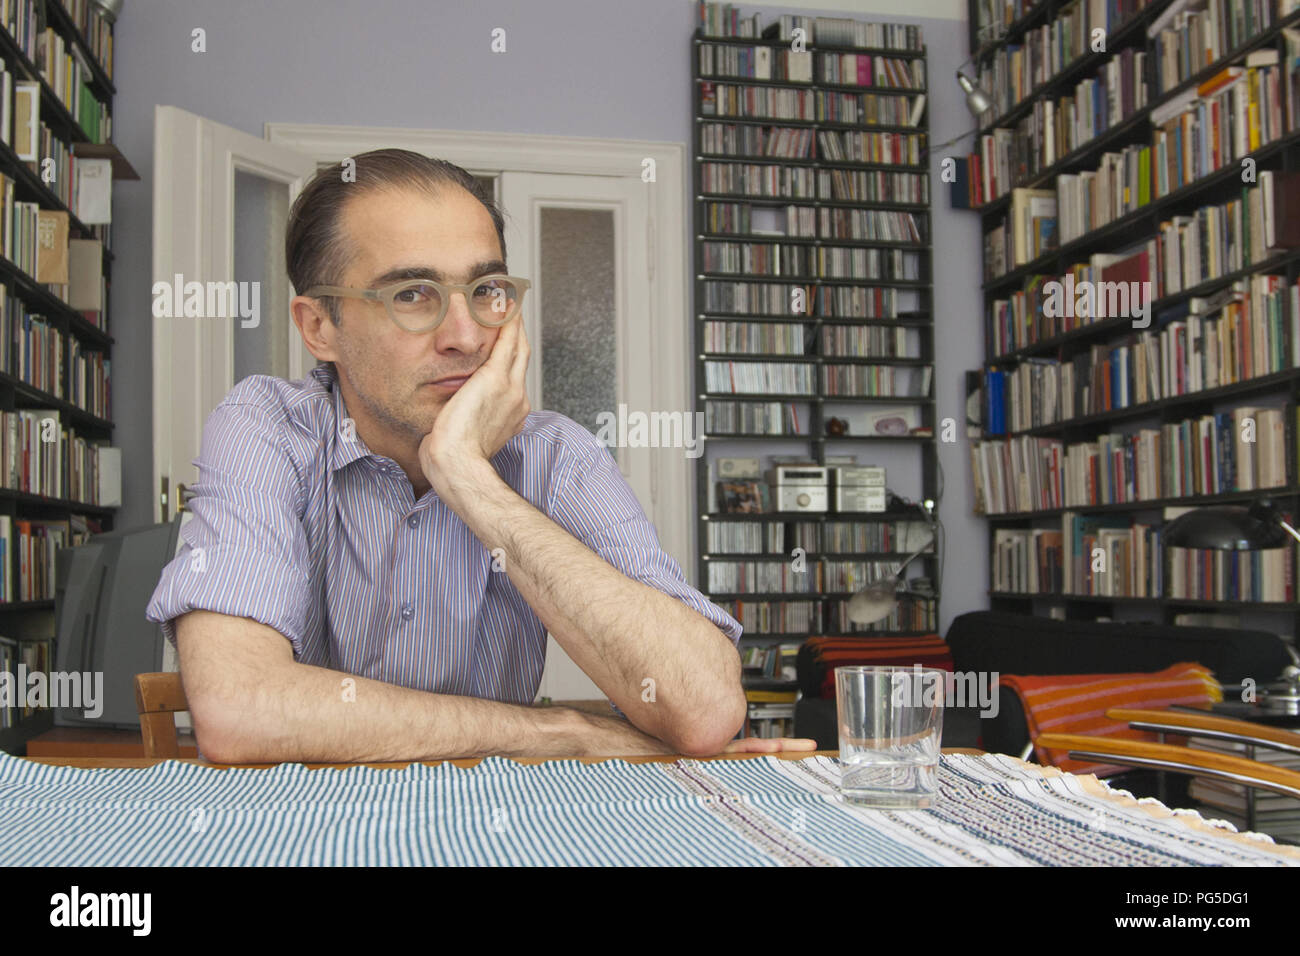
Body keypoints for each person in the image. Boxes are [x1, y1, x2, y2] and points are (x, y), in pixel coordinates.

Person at [145, 149, 816, 764]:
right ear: (320, 327)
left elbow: (705, 711)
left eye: (486, 291)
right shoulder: (265, 427)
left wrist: (468, 476)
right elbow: (241, 711)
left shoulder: (557, 455)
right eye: (412, 294)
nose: (466, 336)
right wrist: (561, 732)